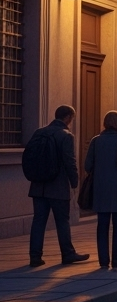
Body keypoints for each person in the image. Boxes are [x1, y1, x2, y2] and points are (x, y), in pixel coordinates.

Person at [26, 105, 86, 267]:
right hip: (58, 186)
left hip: (38, 186)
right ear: (68, 118)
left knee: (38, 220)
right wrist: (74, 182)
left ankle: (35, 256)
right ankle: (67, 253)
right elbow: (69, 161)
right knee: (62, 221)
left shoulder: (39, 132)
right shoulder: (66, 135)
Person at [86, 111, 117, 270]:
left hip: (101, 188)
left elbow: (87, 166)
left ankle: (103, 261)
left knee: (102, 224)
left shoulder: (96, 141)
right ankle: (116, 260)